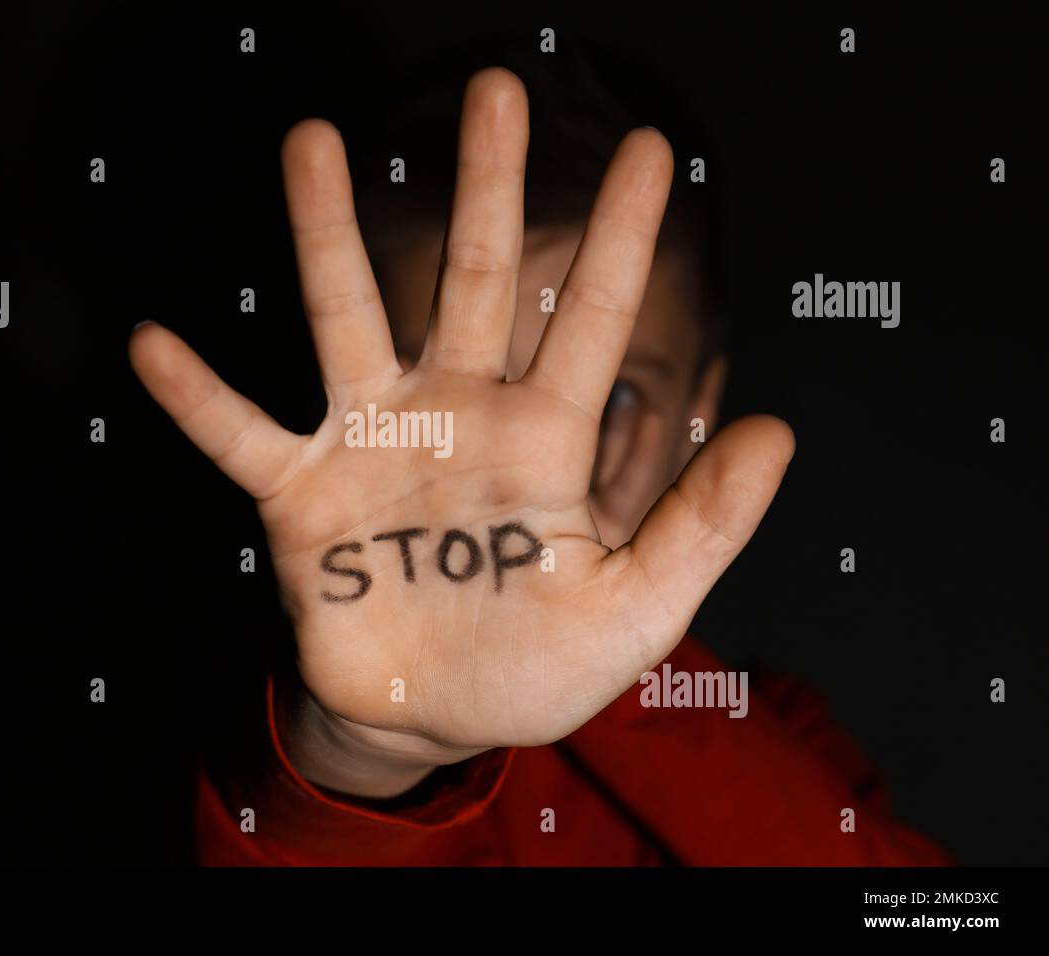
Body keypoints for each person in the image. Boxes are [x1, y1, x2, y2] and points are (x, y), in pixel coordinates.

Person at [128, 59, 950, 866]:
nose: (530, 477)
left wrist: (622, 672)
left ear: (699, 416)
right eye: (451, 418)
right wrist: (364, 755)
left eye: (614, 398)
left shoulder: (775, 726)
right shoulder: (217, 705)